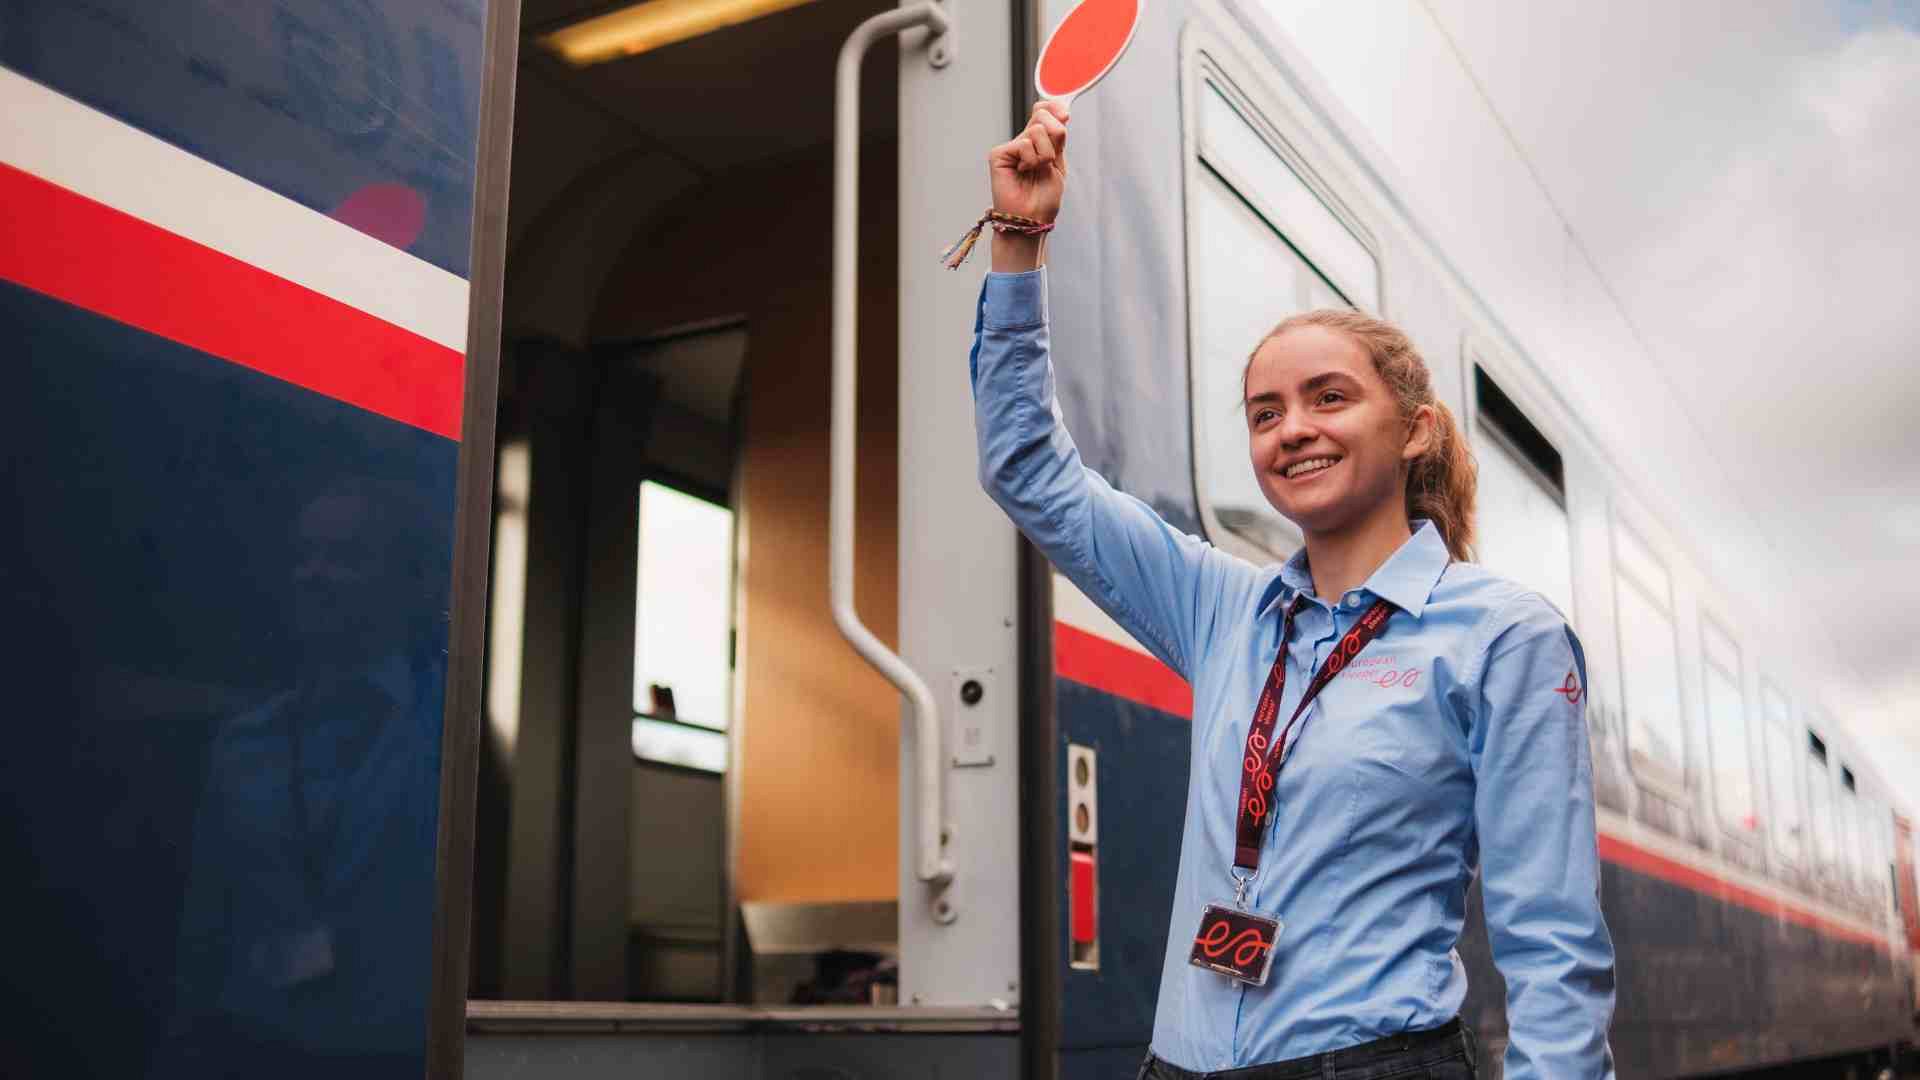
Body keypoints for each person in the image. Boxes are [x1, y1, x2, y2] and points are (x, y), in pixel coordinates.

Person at [970, 101, 1616, 1079]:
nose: (1291, 430)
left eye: (1329, 398)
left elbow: (1554, 946)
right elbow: (1028, 469)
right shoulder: (1223, 609)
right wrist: (1020, 240)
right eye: (1265, 412)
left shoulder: (1504, 637)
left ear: (1416, 429)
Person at [162, 476, 445, 1079]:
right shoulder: (245, 743)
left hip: (392, 1057)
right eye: (303, 555)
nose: (314, 573)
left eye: (346, 556)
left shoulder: (448, 731)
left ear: (405, 582)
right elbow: (204, 928)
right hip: (253, 1047)